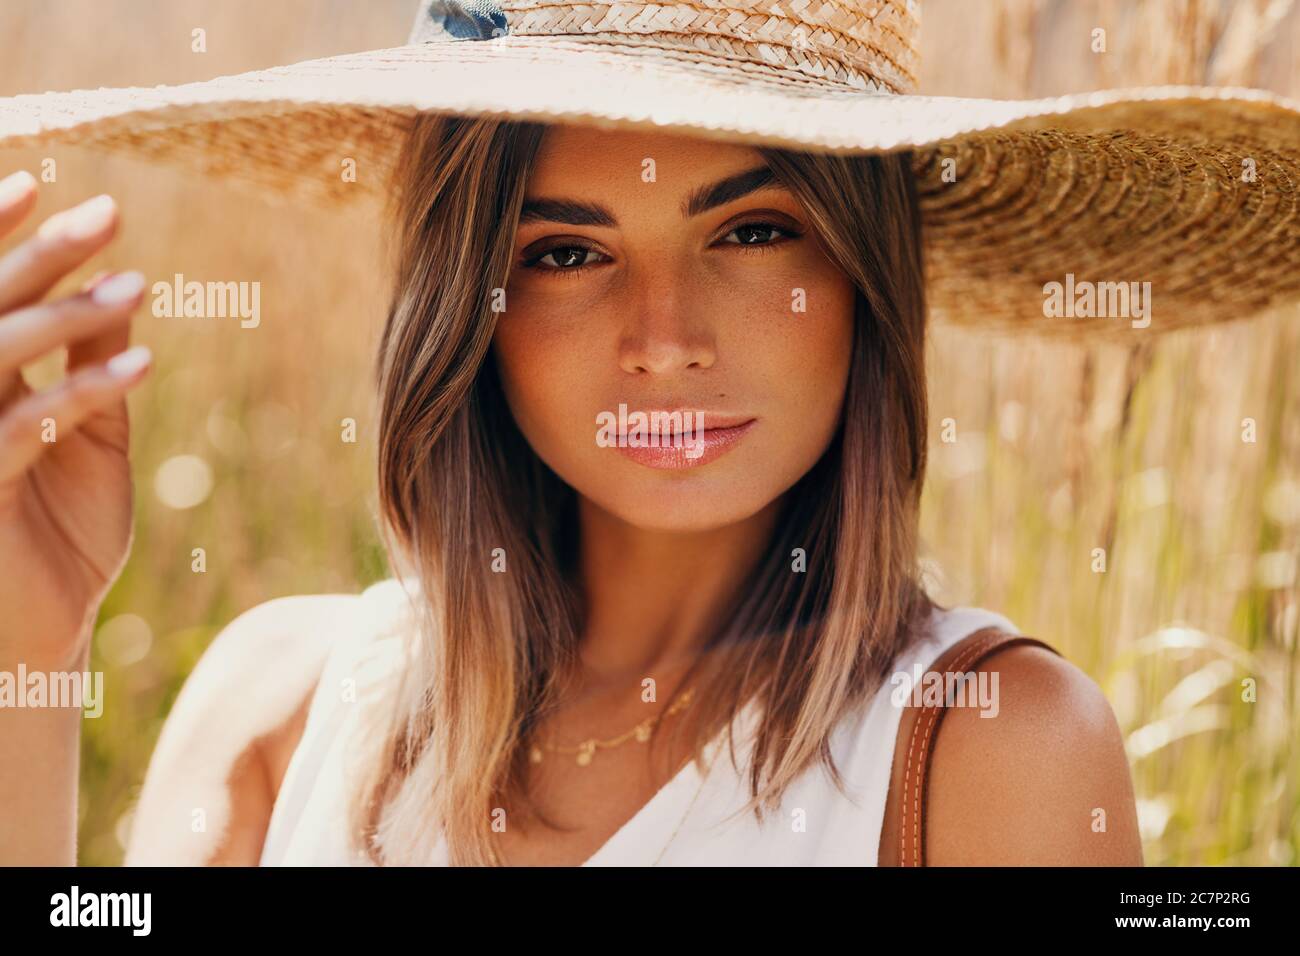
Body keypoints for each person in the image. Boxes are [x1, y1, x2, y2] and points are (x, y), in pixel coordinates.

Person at [2, 0, 1294, 867]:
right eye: (567, 252)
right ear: (470, 307)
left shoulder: (987, 750)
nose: (665, 340)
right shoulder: (281, 710)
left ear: (866, 275)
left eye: (753, 231)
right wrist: (31, 648)